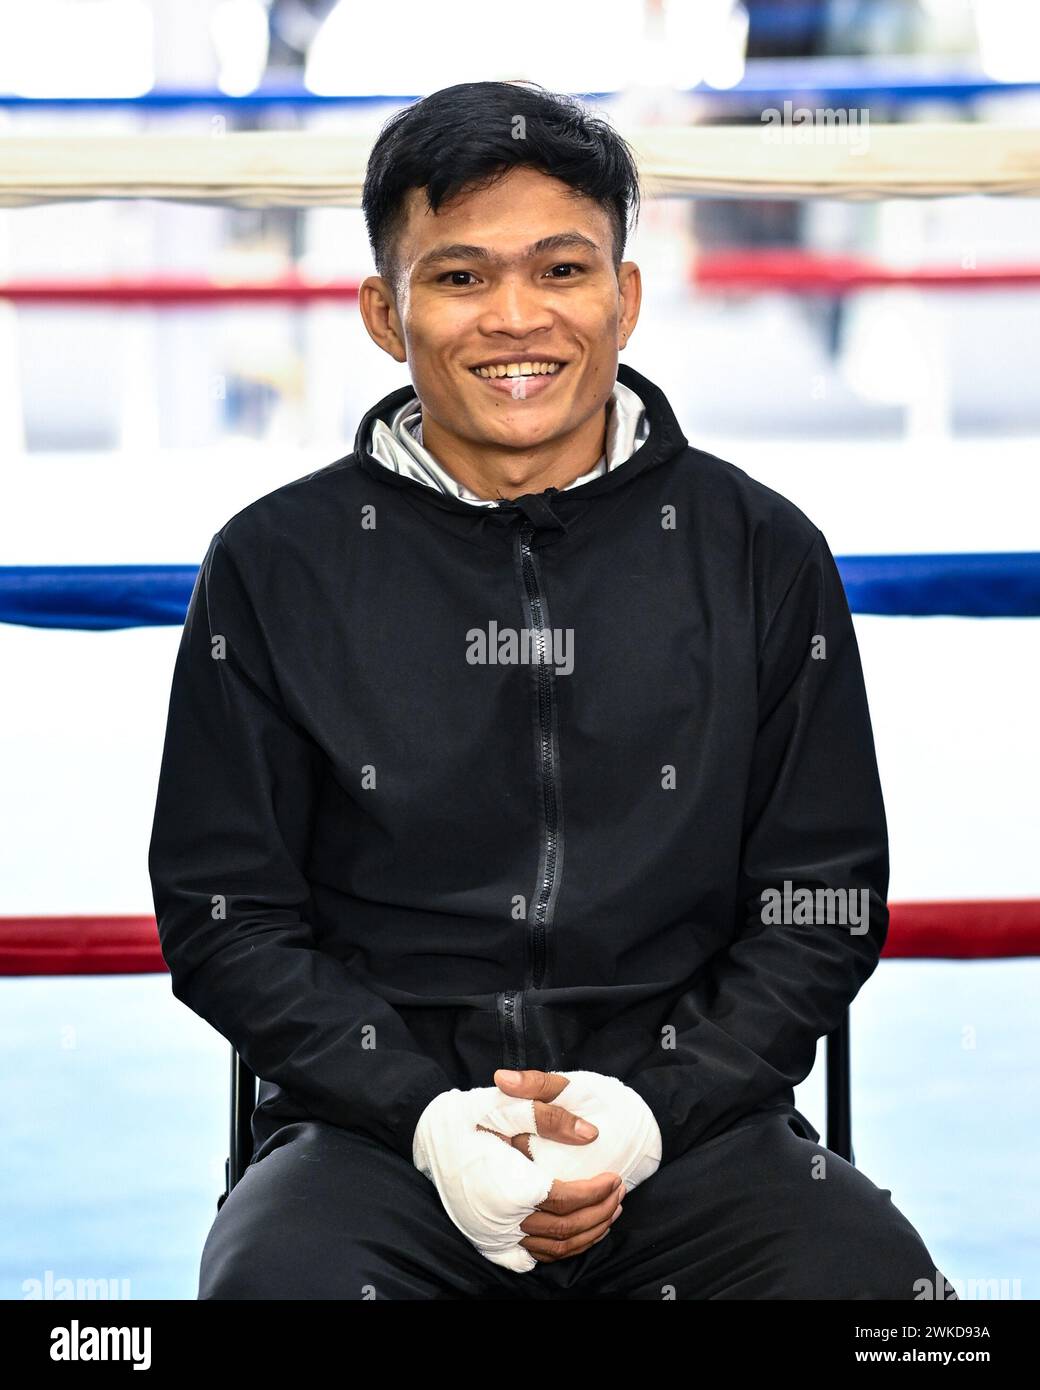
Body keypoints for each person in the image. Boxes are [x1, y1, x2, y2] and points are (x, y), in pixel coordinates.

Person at [148, 79, 957, 1300]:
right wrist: (426, 1117)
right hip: (372, 1146)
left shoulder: (755, 549)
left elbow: (820, 897)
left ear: (623, 299)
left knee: (886, 1307)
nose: (514, 320)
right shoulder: (276, 564)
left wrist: (650, 1108)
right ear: (385, 310)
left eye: (561, 270)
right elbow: (226, 916)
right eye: (461, 277)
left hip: (701, 1134)